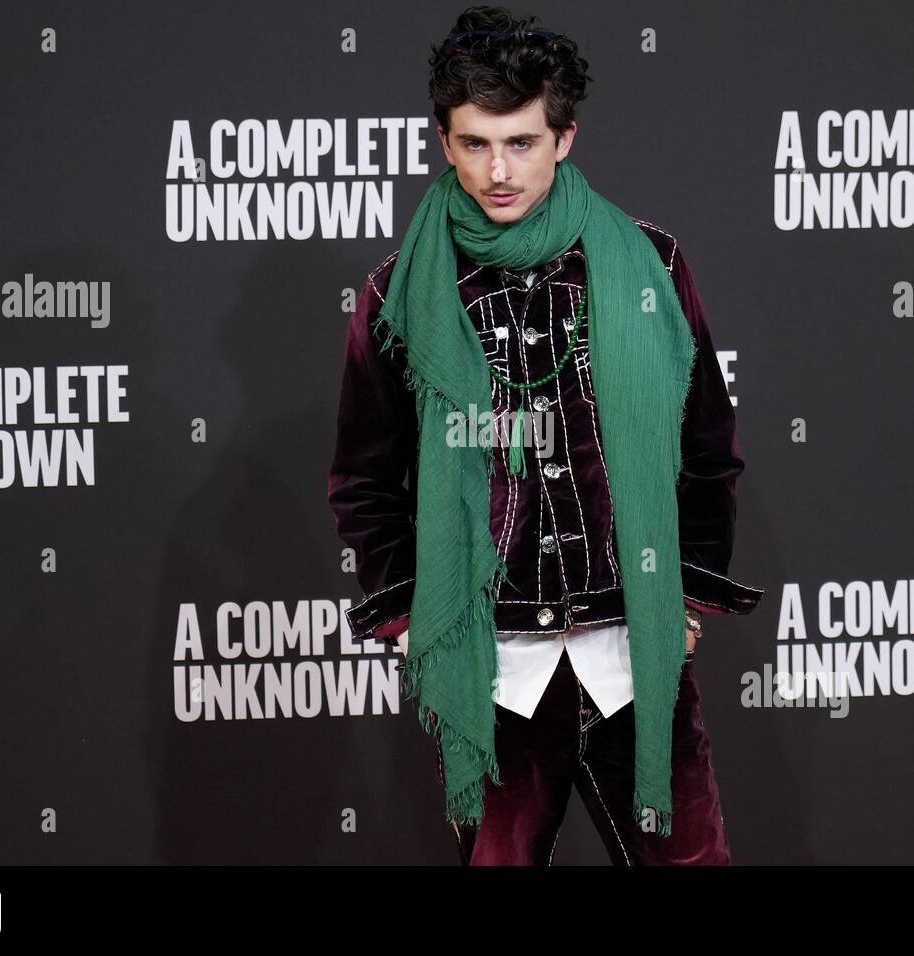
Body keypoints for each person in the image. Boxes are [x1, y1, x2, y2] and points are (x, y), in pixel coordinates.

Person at [327, 5, 764, 865]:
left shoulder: (650, 264)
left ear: (564, 138)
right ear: (444, 143)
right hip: (492, 670)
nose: (498, 170)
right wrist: (416, 617)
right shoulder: (398, 295)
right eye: (474, 143)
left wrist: (685, 600)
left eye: (521, 142)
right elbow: (363, 479)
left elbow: (707, 445)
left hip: (631, 647)